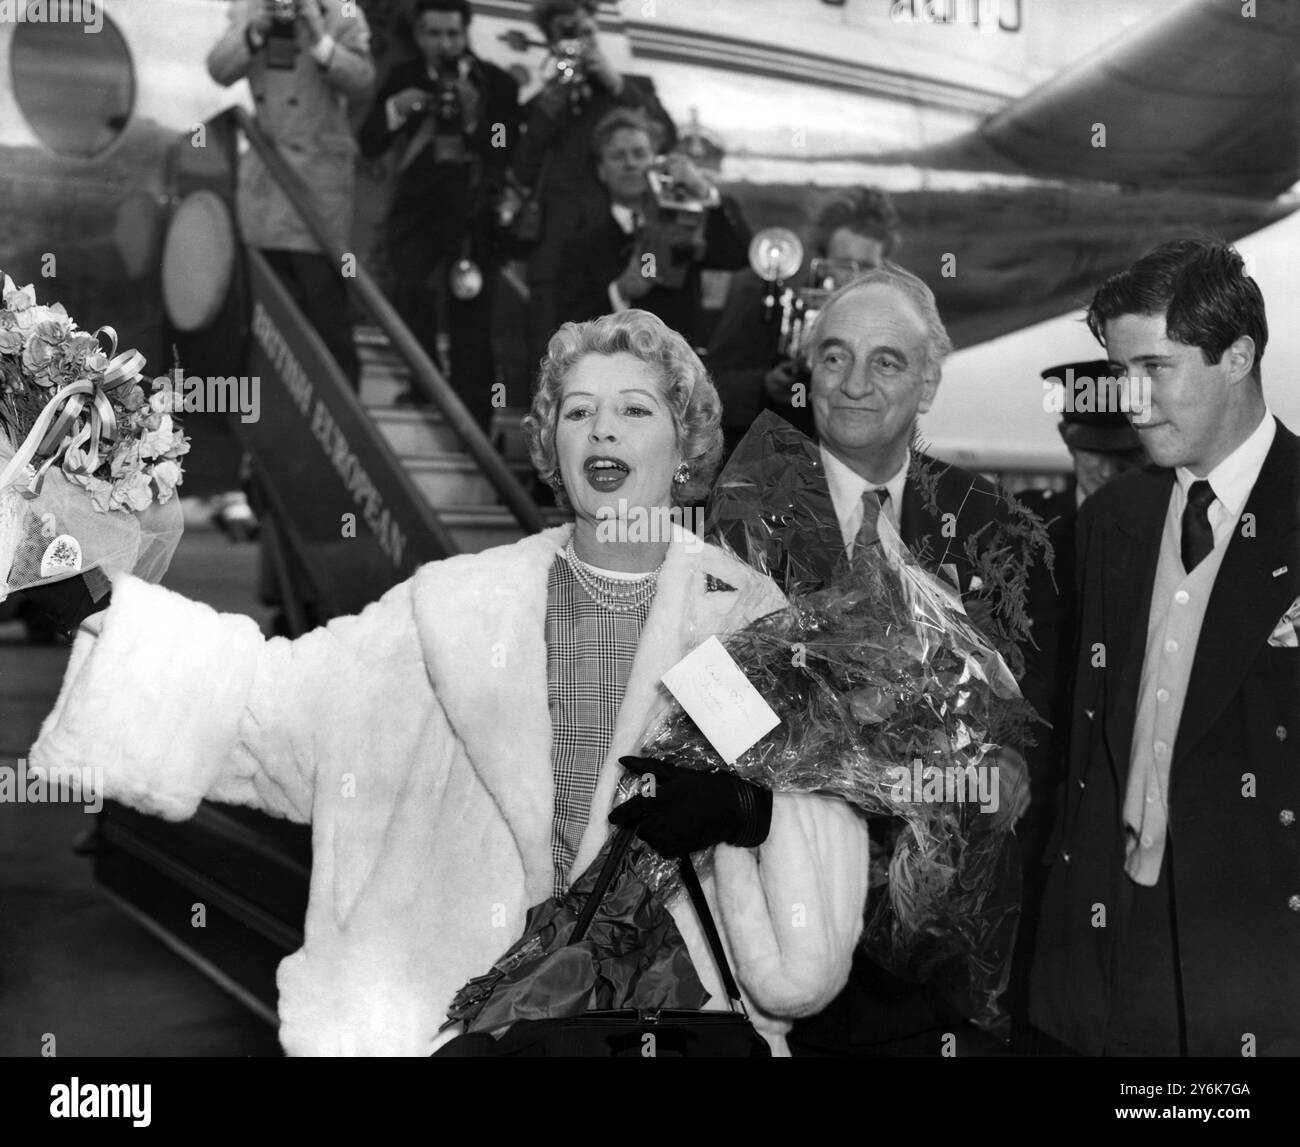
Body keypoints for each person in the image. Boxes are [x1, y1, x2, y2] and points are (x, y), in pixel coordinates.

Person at [28, 309, 871, 1056]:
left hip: (671, 1022)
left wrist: (750, 808)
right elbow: (275, 703)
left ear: (684, 447)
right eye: (578, 412)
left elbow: (816, 863)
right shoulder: (452, 608)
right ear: (552, 445)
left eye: (633, 410)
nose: (601, 432)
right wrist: (94, 603)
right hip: (463, 1023)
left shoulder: (751, 618)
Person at [711, 263, 1033, 1056]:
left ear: (927, 385)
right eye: (833, 356)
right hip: (783, 942)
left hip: (945, 968)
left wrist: (1007, 774)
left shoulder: (990, 522)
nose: (853, 383)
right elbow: (708, 717)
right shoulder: (738, 509)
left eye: (886, 361)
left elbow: (1028, 719)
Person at [1029, 238, 1300, 1057]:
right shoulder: (1113, 523)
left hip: (1264, 952)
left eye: (1157, 368)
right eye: (1122, 373)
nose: (1134, 402)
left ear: (1239, 356)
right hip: (1116, 931)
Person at [1008, 361, 1146, 1046]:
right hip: (1035, 832)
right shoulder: (1033, 539)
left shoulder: (1180, 544)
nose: (1101, 469)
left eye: (1120, 456)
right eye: (1089, 452)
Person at [358, 0, 519, 427]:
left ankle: (473, 423)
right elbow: (369, 142)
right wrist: (397, 109)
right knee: (408, 296)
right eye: (434, 34)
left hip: (472, 216)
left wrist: (473, 123)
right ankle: (425, 389)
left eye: (453, 33)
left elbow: (505, 150)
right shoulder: (402, 77)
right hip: (416, 214)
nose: (445, 43)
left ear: (466, 32)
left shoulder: (497, 84)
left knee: (471, 319)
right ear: (418, 36)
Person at [208, 0, 374, 391]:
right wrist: (254, 33)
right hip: (267, 181)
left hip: (317, 184)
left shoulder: (342, 12)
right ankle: (260, 412)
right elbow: (218, 69)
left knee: (324, 307)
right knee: (261, 309)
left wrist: (320, 41)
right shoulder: (250, 8)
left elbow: (363, 81)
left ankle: (344, 410)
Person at [510, 0, 677, 369]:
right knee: (552, 368)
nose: (576, 42)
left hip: (623, 253)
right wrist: (546, 114)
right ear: (550, 42)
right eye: (564, 34)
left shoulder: (632, 89)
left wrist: (616, 84)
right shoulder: (542, 103)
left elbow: (667, 138)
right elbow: (521, 171)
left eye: (583, 31)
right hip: (555, 259)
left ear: (596, 31)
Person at [708, 187, 903, 450]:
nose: (854, 278)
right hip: (761, 459)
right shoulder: (767, 296)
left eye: (866, 267)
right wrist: (764, 385)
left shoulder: (892, 322)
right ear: (821, 258)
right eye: (844, 264)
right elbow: (713, 386)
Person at [554, 108, 750, 345]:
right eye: (618, 155)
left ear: (655, 162)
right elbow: (569, 328)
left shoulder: (686, 222)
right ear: (601, 171)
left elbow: (738, 255)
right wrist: (619, 292)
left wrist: (703, 190)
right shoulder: (579, 243)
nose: (630, 164)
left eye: (639, 153)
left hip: (676, 367)